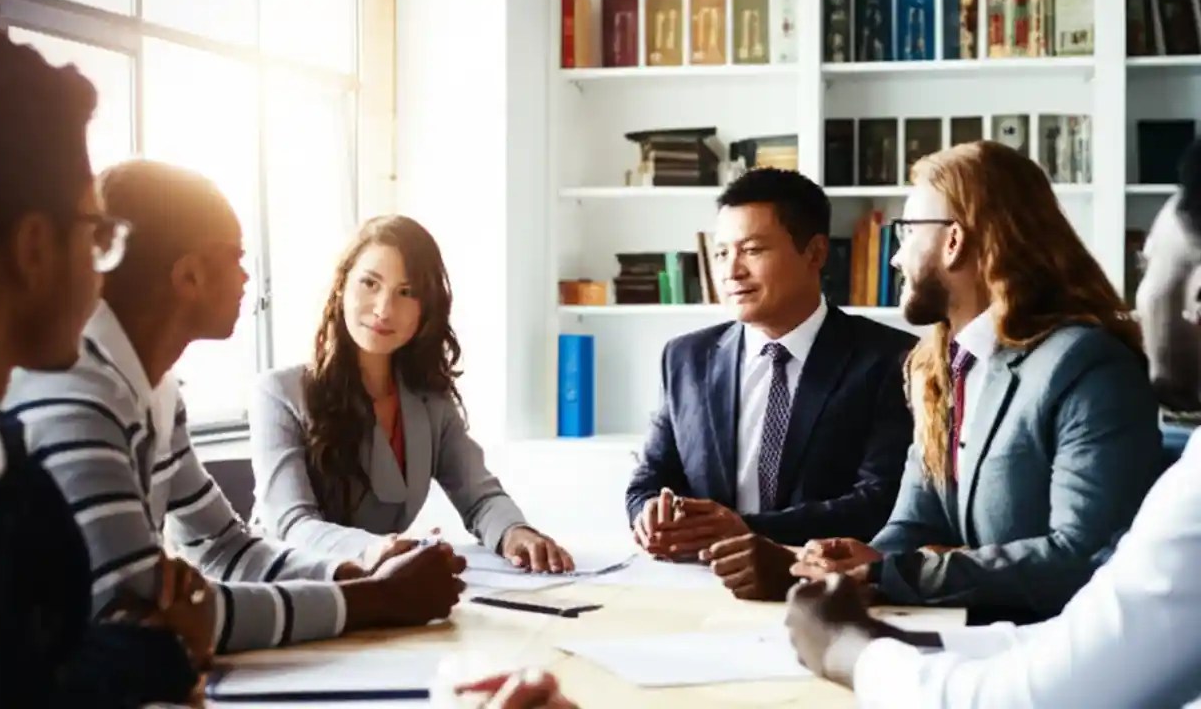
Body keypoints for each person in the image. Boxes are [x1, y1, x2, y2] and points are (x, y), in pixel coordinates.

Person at [783, 137, 1201, 708]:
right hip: (987, 652)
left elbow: (1079, 555)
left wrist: (885, 585)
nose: (896, 257)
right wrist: (849, 569)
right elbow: (913, 520)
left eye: (907, 233)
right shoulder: (938, 365)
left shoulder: (1085, 364)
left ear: (953, 240)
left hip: (1052, 664)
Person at [2, 159, 467, 656]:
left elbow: (223, 548)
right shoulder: (79, 398)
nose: (248, 276)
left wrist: (358, 574)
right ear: (190, 275)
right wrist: (378, 598)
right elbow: (134, 619)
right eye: (236, 256)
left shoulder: (157, 392)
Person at [0, 25, 199, 706]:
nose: (103, 275)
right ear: (35, 249)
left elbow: (30, 664)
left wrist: (155, 654)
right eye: (99, 235)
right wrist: (166, 654)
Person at [624, 167, 916, 570]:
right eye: (722, 252)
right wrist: (649, 514)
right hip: (698, 582)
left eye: (753, 250)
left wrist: (747, 531)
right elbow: (650, 478)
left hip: (822, 584)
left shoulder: (891, 358)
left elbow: (881, 500)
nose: (731, 271)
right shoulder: (685, 358)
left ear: (815, 253)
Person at [249, 215, 574, 573]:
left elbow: (479, 497)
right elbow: (291, 525)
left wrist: (515, 532)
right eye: (370, 283)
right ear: (342, 286)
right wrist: (379, 549)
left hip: (380, 592)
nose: (384, 309)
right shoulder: (278, 392)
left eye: (406, 292)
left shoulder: (429, 399)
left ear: (427, 307)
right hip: (288, 589)